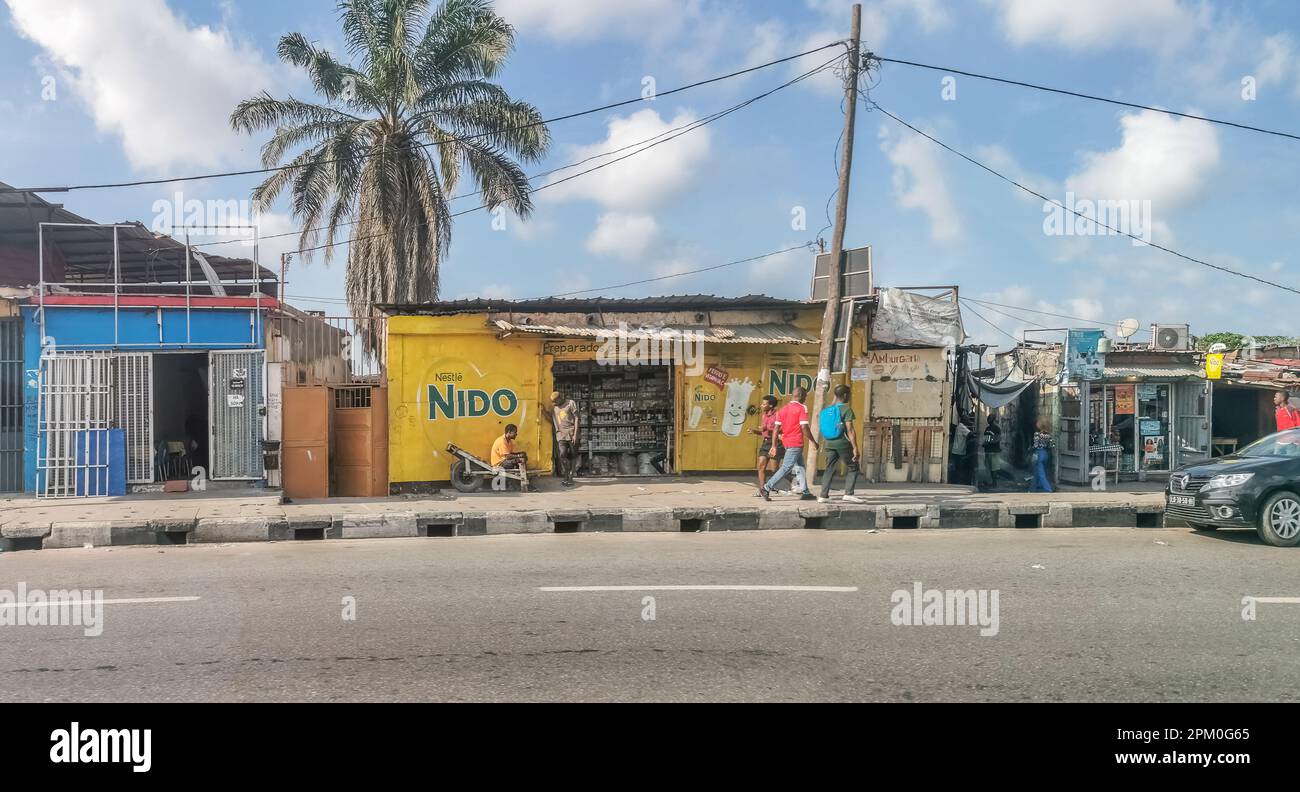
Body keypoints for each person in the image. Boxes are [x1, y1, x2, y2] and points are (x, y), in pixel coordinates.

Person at [760, 386, 819, 502]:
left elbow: (776, 429)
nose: (806, 399)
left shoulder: (783, 409)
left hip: (786, 442)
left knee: (800, 466)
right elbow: (804, 427)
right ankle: (766, 488)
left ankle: (805, 492)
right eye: (805, 396)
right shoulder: (802, 408)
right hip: (795, 442)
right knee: (786, 468)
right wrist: (813, 441)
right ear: (801, 396)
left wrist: (773, 445)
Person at [817, 384, 863, 503]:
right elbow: (850, 430)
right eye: (849, 395)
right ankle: (848, 493)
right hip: (842, 443)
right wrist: (855, 448)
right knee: (853, 466)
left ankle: (823, 495)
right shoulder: (846, 409)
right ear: (845, 395)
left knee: (829, 469)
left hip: (829, 443)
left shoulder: (826, 410)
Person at [749, 394, 782, 496]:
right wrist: (755, 431)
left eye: (764, 404)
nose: (762, 405)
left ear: (771, 405)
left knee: (774, 469)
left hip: (776, 442)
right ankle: (762, 490)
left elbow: (781, 430)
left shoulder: (778, 415)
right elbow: (764, 432)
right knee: (761, 466)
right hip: (766, 442)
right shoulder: (764, 416)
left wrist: (768, 429)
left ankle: (793, 479)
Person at [546, 390, 580, 487]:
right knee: (562, 454)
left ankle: (570, 477)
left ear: (560, 398)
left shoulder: (570, 403)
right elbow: (552, 420)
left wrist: (575, 434)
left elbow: (577, 418)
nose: (554, 403)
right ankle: (566, 473)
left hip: (572, 433)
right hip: (561, 435)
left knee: (573, 456)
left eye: (555, 401)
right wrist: (544, 411)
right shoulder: (554, 408)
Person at [1030, 417, 1054, 493]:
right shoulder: (1049, 435)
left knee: (1041, 473)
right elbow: (1052, 445)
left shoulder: (1037, 434)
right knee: (1037, 472)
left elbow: (1036, 445)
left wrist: (1031, 448)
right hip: (1045, 453)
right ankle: (1032, 489)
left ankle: (1048, 489)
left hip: (1039, 453)